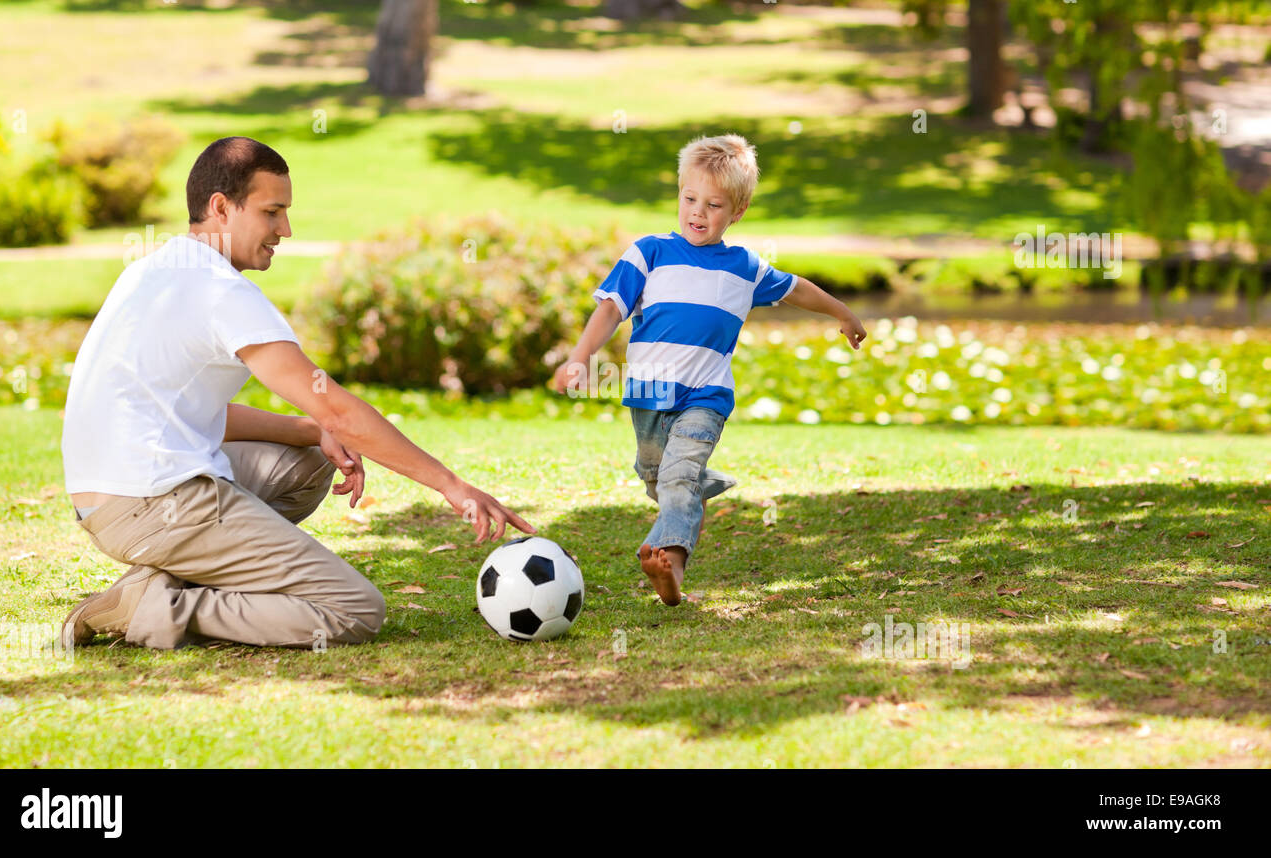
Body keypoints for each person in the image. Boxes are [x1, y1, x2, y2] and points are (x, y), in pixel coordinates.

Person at [61, 136, 533, 650]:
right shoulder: (221, 292)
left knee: (310, 457)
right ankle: (158, 607)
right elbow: (335, 404)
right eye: (272, 212)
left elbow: (189, 416)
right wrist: (451, 485)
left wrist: (313, 431)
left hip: (111, 498)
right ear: (221, 208)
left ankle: (163, 579)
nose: (284, 230)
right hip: (151, 502)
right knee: (354, 610)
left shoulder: (155, 272)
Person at [553, 134, 866, 606]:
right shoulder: (649, 252)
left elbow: (796, 289)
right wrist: (580, 356)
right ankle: (703, 483)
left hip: (706, 397)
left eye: (714, 204)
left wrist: (842, 313)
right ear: (678, 195)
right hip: (648, 396)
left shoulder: (744, 268)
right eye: (690, 199)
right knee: (657, 477)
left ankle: (670, 568)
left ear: (736, 212)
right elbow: (611, 309)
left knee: (677, 481)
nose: (698, 212)